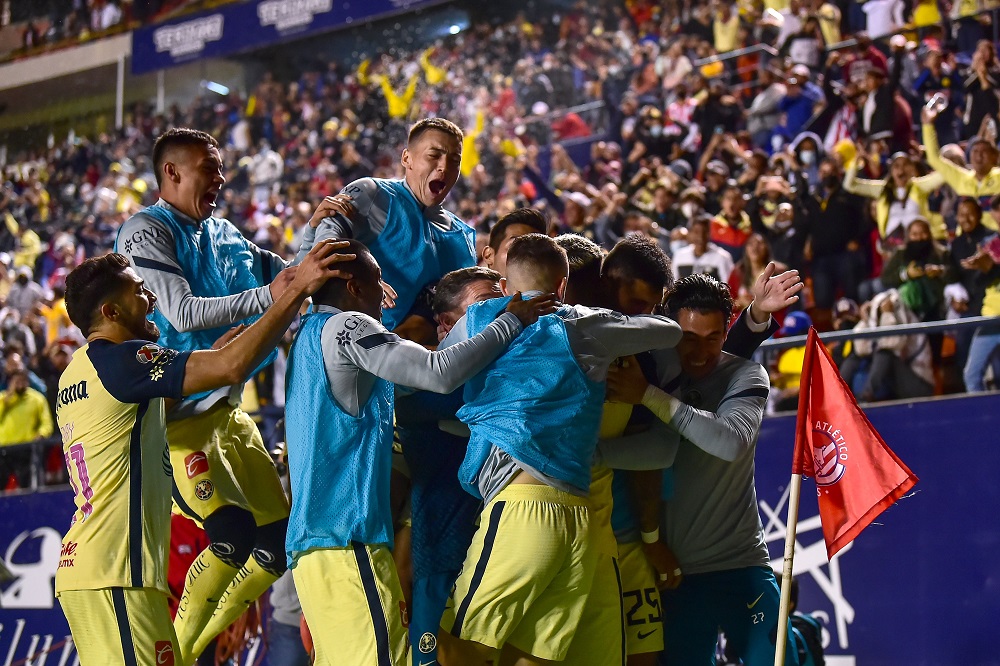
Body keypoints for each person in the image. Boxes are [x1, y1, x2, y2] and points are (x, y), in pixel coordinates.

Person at [54, 241, 351, 666]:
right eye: (139, 291)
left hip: (93, 571)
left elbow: (165, 401)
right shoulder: (125, 360)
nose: (151, 296)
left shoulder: (77, 372)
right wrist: (295, 290)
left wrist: (218, 355)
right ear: (111, 312)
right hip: (117, 573)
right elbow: (230, 368)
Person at [116, 128, 346, 663]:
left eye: (221, 168)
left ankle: (194, 649)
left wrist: (317, 235)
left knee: (276, 541)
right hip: (172, 417)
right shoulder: (145, 232)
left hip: (227, 410)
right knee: (229, 533)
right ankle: (174, 652)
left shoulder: (223, 234)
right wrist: (278, 293)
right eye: (208, 168)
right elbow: (185, 312)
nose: (220, 178)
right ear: (171, 172)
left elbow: (290, 272)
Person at [283, 240, 554, 666]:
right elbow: (437, 373)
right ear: (353, 287)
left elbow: (427, 369)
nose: (385, 294)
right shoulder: (345, 327)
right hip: (344, 537)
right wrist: (509, 322)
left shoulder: (313, 337)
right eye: (377, 281)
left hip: (319, 542)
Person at [438, 234, 685, 665]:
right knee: (532, 657)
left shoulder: (483, 317)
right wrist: (596, 319)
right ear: (564, 284)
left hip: (521, 505)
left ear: (505, 286)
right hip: (580, 520)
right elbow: (669, 331)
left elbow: (439, 371)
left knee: (459, 646)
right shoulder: (586, 326)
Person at [599, 273, 800, 666]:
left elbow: (730, 442)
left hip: (741, 565)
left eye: (713, 338)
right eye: (688, 337)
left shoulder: (744, 374)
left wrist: (645, 395)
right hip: (673, 574)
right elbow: (652, 453)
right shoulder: (650, 370)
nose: (699, 351)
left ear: (726, 333)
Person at [303, 117, 476, 345]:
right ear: (407, 158)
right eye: (434, 155)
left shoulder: (463, 239)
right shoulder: (371, 195)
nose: (444, 166)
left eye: (455, 160)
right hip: (336, 346)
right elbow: (319, 253)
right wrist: (363, 275)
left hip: (407, 366)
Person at [672, 215, 735, 282]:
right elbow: (673, 284)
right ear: (690, 233)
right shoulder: (680, 256)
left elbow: (729, 286)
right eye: (696, 232)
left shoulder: (722, 257)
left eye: (705, 232)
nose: (701, 237)